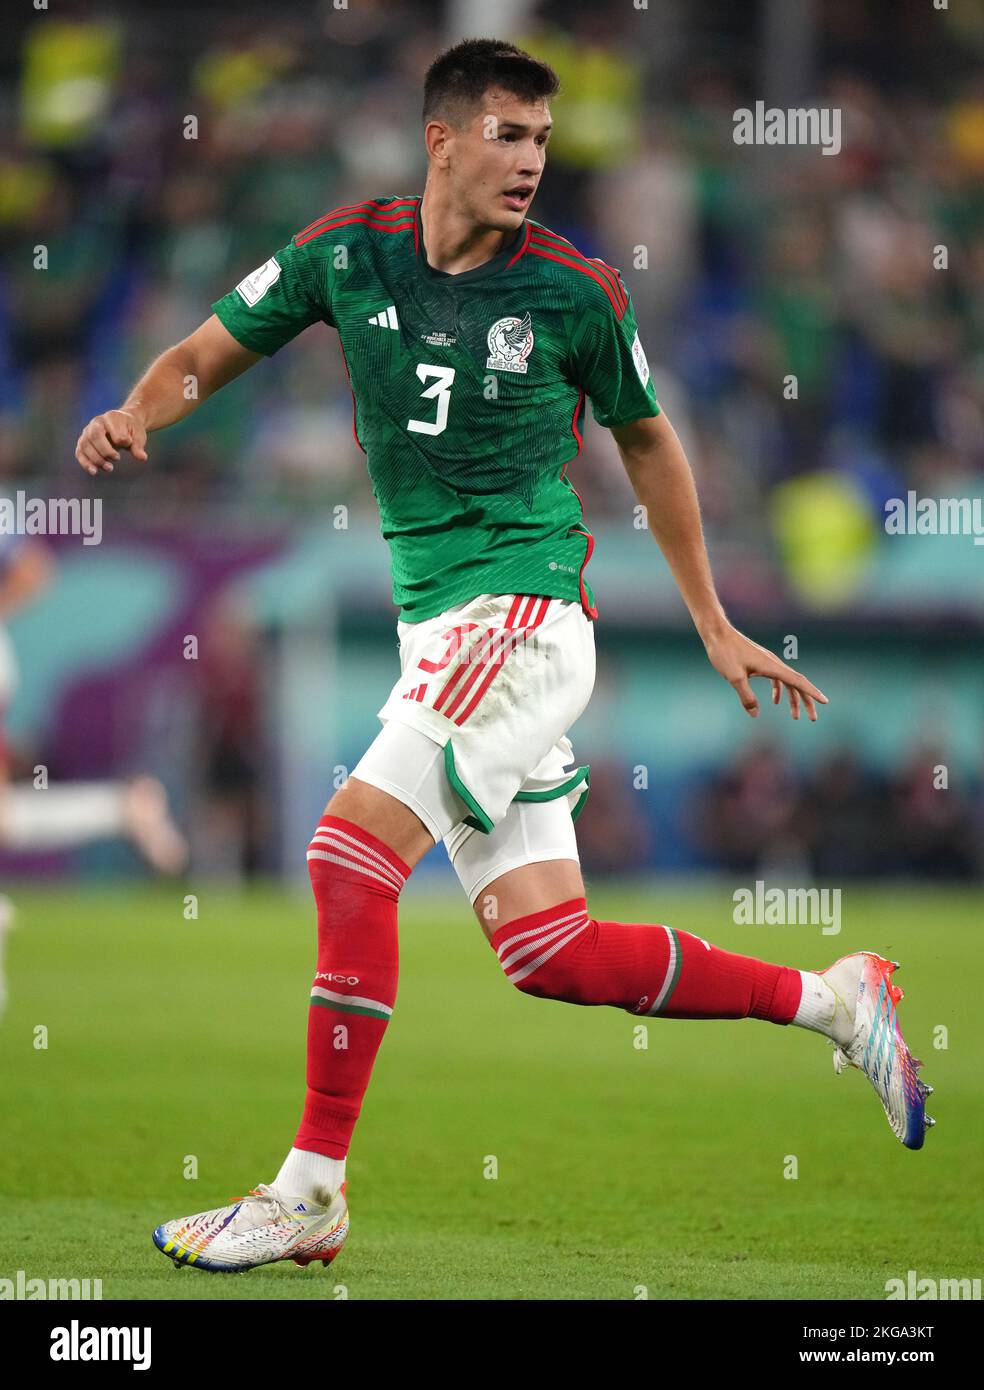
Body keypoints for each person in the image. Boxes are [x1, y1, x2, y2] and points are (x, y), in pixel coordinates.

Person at [75, 39, 933, 1275]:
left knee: (346, 855)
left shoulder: (573, 294)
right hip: (445, 631)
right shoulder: (345, 253)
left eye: (541, 139)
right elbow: (207, 352)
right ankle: (833, 1000)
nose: (531, 160)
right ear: (442, 140)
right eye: (507, 135)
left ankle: (310, 1188)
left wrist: (707, 616)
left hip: (520, 620)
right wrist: (132, 413)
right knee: (551, 952)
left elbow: (651, 444)